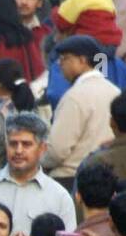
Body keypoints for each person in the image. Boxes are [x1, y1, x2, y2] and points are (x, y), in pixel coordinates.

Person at [0, 113, 76, 235]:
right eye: (13, 144)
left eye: (26, 144)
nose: (18, 151)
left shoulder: (59, 197)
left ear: (42, 148)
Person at [43, 36, 121, 189]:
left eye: (65, 58)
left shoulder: (74, 96)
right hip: (108, 175)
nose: (60, 64)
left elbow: (57, 150)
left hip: (71, 178)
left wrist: (40, 162)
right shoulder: (115, 91)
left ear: (82, 61)